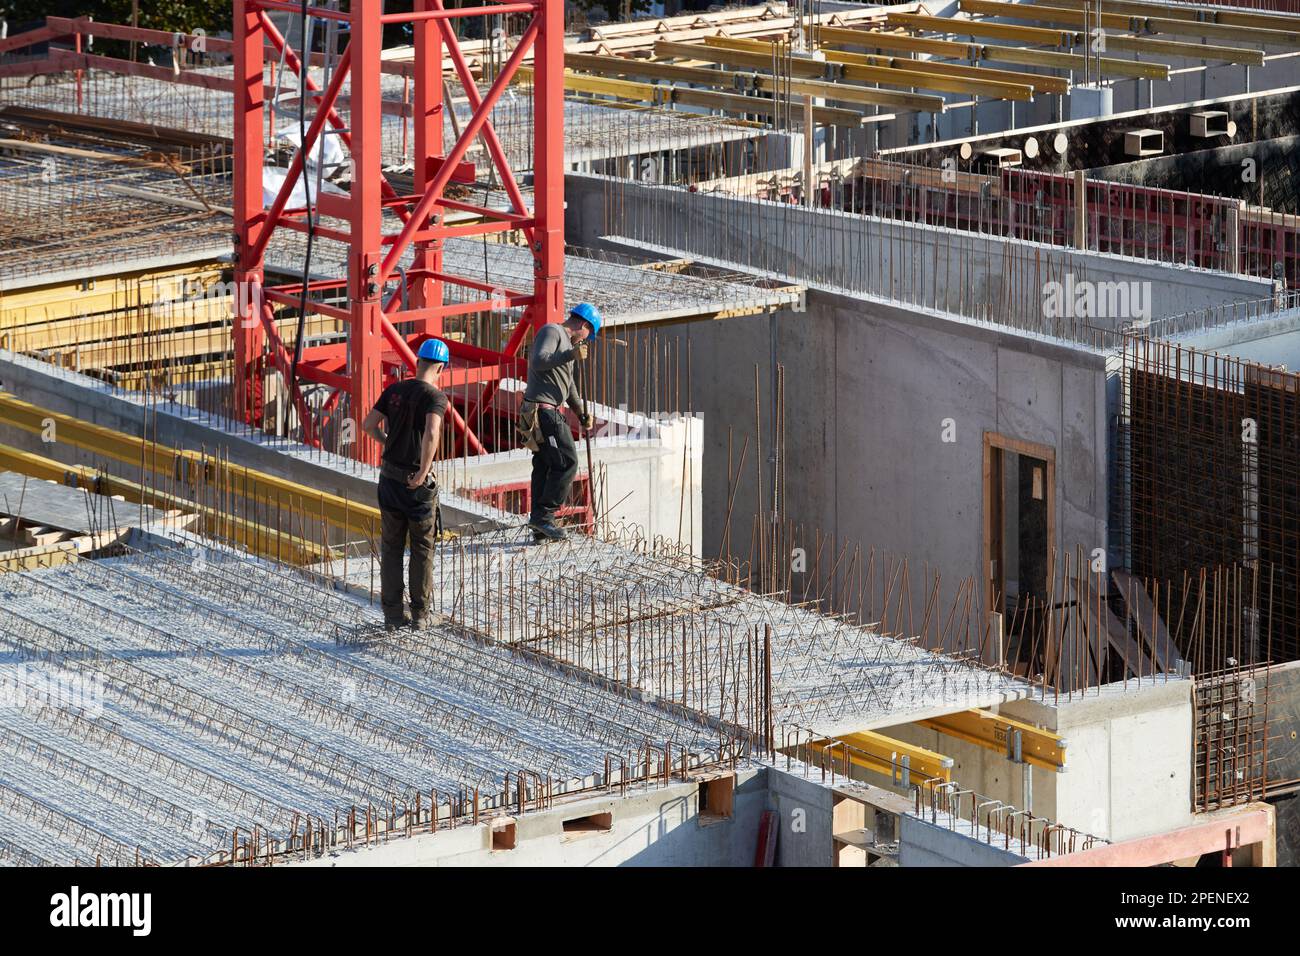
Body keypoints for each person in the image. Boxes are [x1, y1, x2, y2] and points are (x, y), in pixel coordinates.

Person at [362, 337, 449, 630]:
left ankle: (393, 616)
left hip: (388, 479)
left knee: (391, 547)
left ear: (418, 362)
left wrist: (389, 443)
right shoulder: (435, 397)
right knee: (422, 548)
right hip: (415, 485)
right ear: (441, 368)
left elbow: (367, 425)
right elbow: (432, 433)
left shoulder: (395, 390)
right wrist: (424, 472)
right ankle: (421, 614)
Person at [520, 303, 601, 541]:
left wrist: (580, 411)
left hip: (548, 409)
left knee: (545, 465)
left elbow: (569, 385)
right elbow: (538, 360)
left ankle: (538, 523)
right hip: (542, 411)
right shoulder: (552, 332)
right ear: (584, 326)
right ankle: (545, 518)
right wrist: (569, 354)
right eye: (589, 334)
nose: (587, 340)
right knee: (567, 462)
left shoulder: (570, 347)